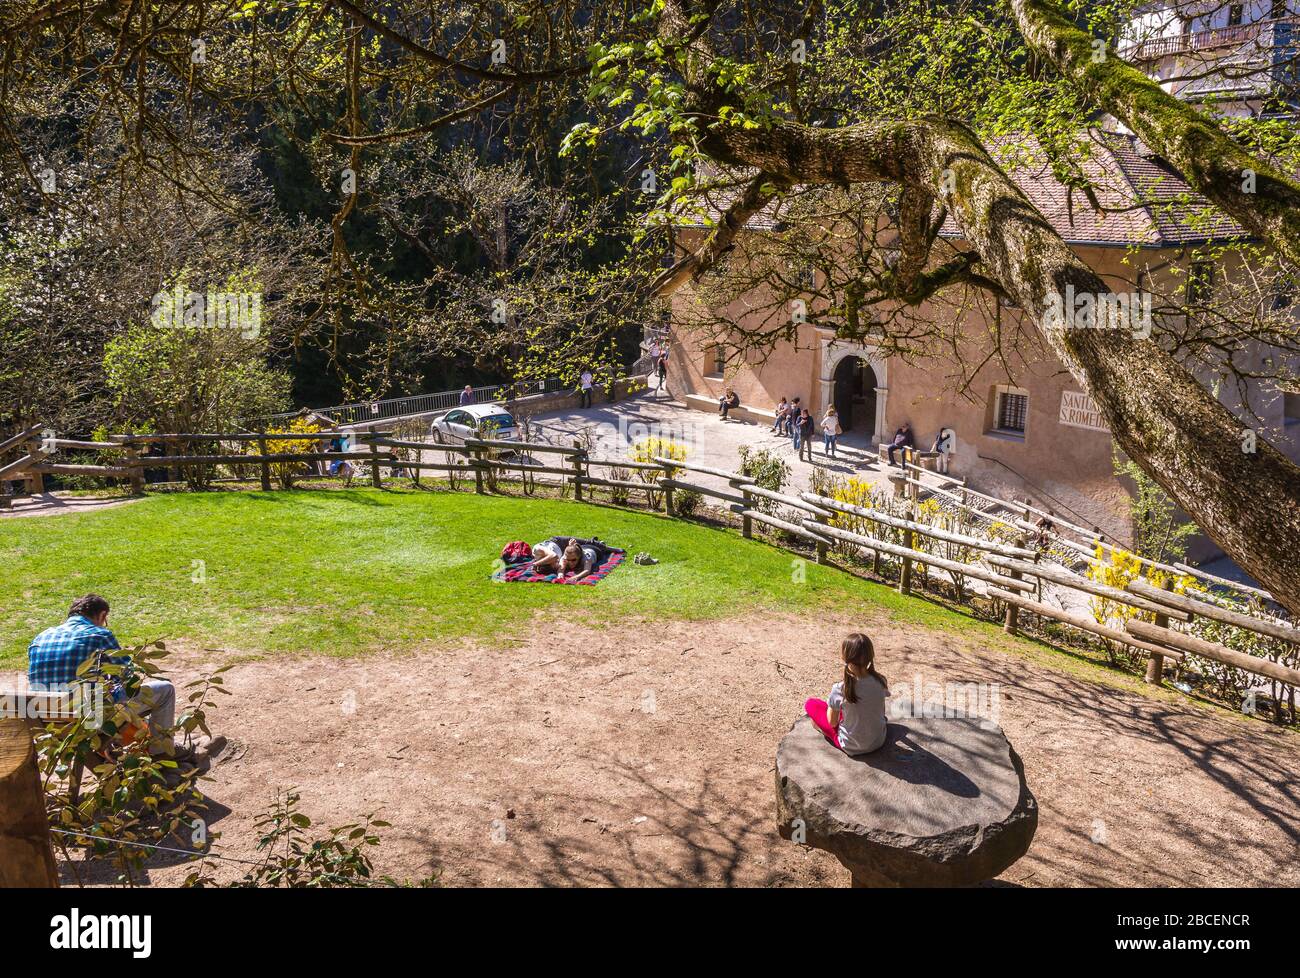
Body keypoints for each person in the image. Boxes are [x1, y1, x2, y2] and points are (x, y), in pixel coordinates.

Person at [27, 595, 192, 757]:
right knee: (165, 690)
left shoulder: (40, 638)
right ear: (102, 615)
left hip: (47, 722)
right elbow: (129, 679)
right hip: (90, 721)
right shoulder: (99, 635)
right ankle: (161, 752)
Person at [803, 632, 889, 755]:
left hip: (850, 745)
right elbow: (881, 711)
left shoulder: (840, 689)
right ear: (871, 656)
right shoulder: (881, 681)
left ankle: (822, 729)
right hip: (879, 740)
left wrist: (831, 707)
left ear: (844, 657)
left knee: (811, 704)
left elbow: (833, 723)